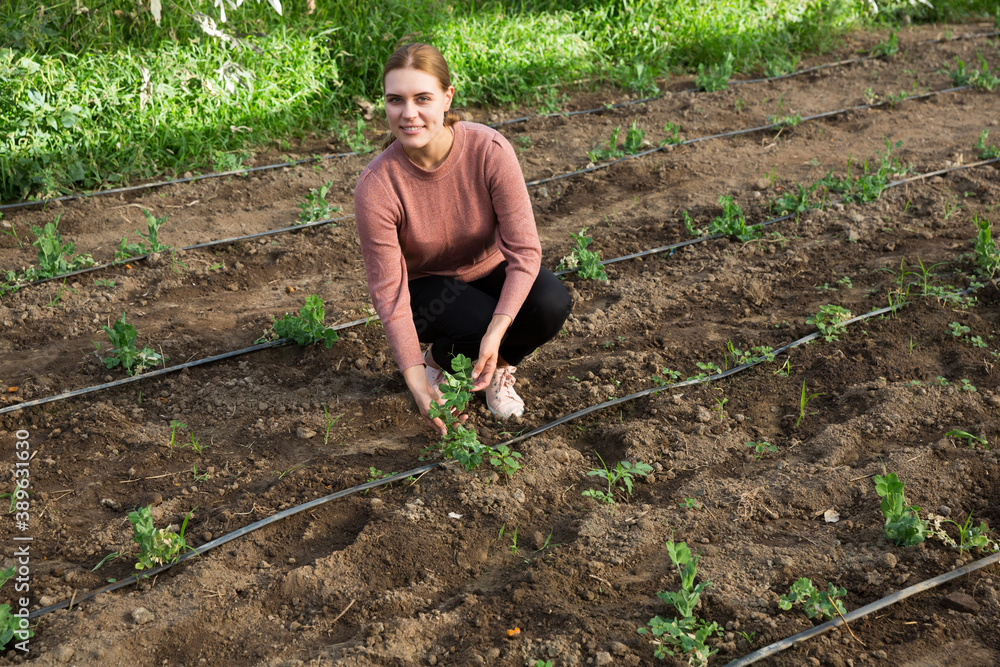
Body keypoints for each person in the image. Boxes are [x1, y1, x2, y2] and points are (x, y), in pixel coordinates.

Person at [354, 42, 571, 435]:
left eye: (423, 98)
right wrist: (415, 376)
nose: (409, 113)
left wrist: (497, 336)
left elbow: (524, 252)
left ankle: (498, 368)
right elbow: (389, 292)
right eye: (395, 100)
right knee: (475, 321)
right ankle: (438, 361)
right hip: (427, 290)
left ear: (447, 97)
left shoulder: (488, 150)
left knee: (550, 302)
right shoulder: (378, 186)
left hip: (488, 267)